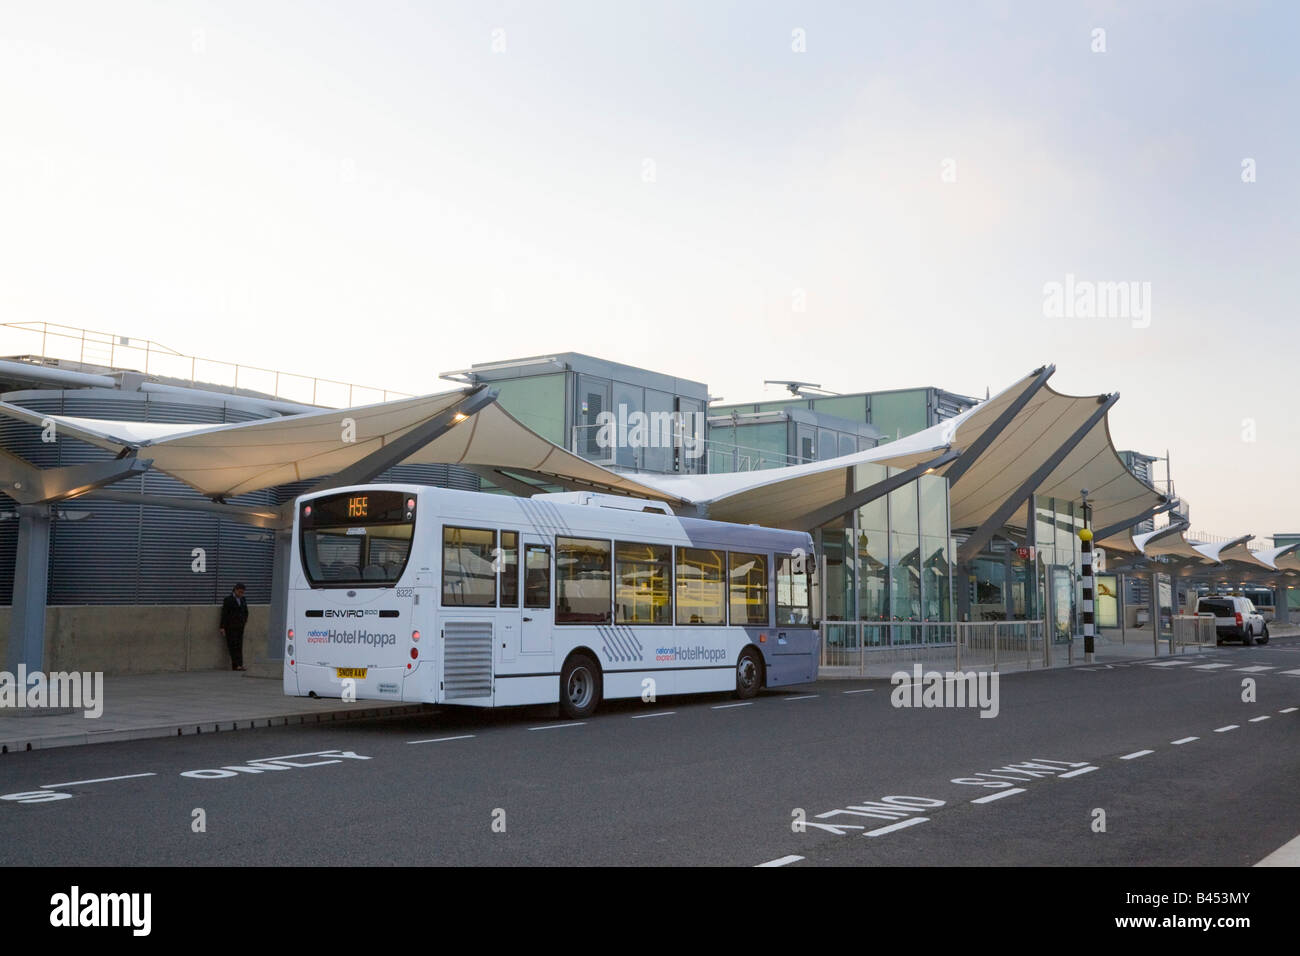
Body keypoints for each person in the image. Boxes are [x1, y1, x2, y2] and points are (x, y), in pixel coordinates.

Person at [219, 583, 249, 671]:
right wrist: (222, 627)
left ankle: (240, 664)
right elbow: (224, 614)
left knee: (239, 645)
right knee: (233, 645)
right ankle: (236, 665)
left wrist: (244, 620)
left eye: (242, 593)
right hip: (230, 627)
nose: (241, 594)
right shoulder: (228, 600)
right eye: (240, 592)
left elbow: (246, 611)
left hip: (240, 626)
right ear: (235, 590)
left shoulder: (243, 599)